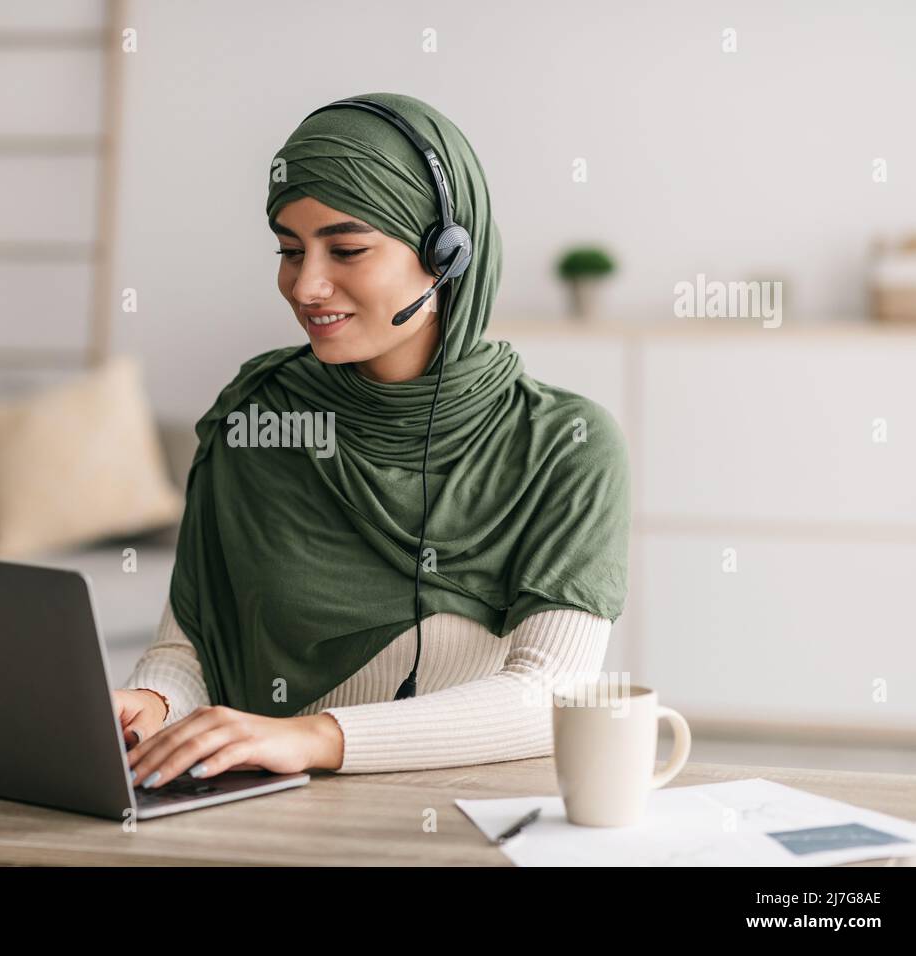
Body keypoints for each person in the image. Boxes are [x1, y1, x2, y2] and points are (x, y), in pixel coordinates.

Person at [114, 92, 630, 790]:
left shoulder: (566, 446)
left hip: (459, 816)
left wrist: (313, 738)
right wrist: (151, 702)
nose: (307, 285)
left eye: (347, 248)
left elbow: (551, 697)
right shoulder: (257, 414)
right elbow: (191, 647)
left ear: (446, 255)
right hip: (258, 812)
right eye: (290, 251)